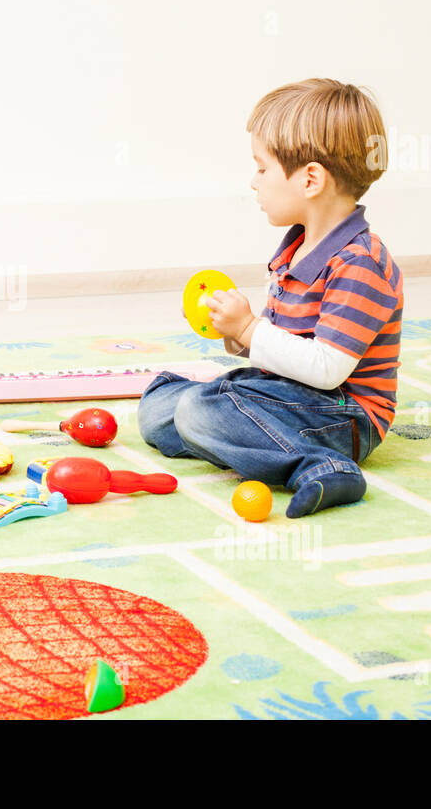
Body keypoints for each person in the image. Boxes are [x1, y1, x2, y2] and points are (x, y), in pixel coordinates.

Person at [138, 78, 405, 517]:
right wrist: (236, 334)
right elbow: (283, 346)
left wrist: (249, 327)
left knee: (200, 413)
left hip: (344, 415)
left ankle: (320, 464)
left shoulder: (361, 264)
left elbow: (325, 369)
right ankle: (247, 435)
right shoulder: (296, 248)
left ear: (311, 179)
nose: (253, 181)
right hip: (288, 394)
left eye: (262, 168)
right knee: (159, 408)